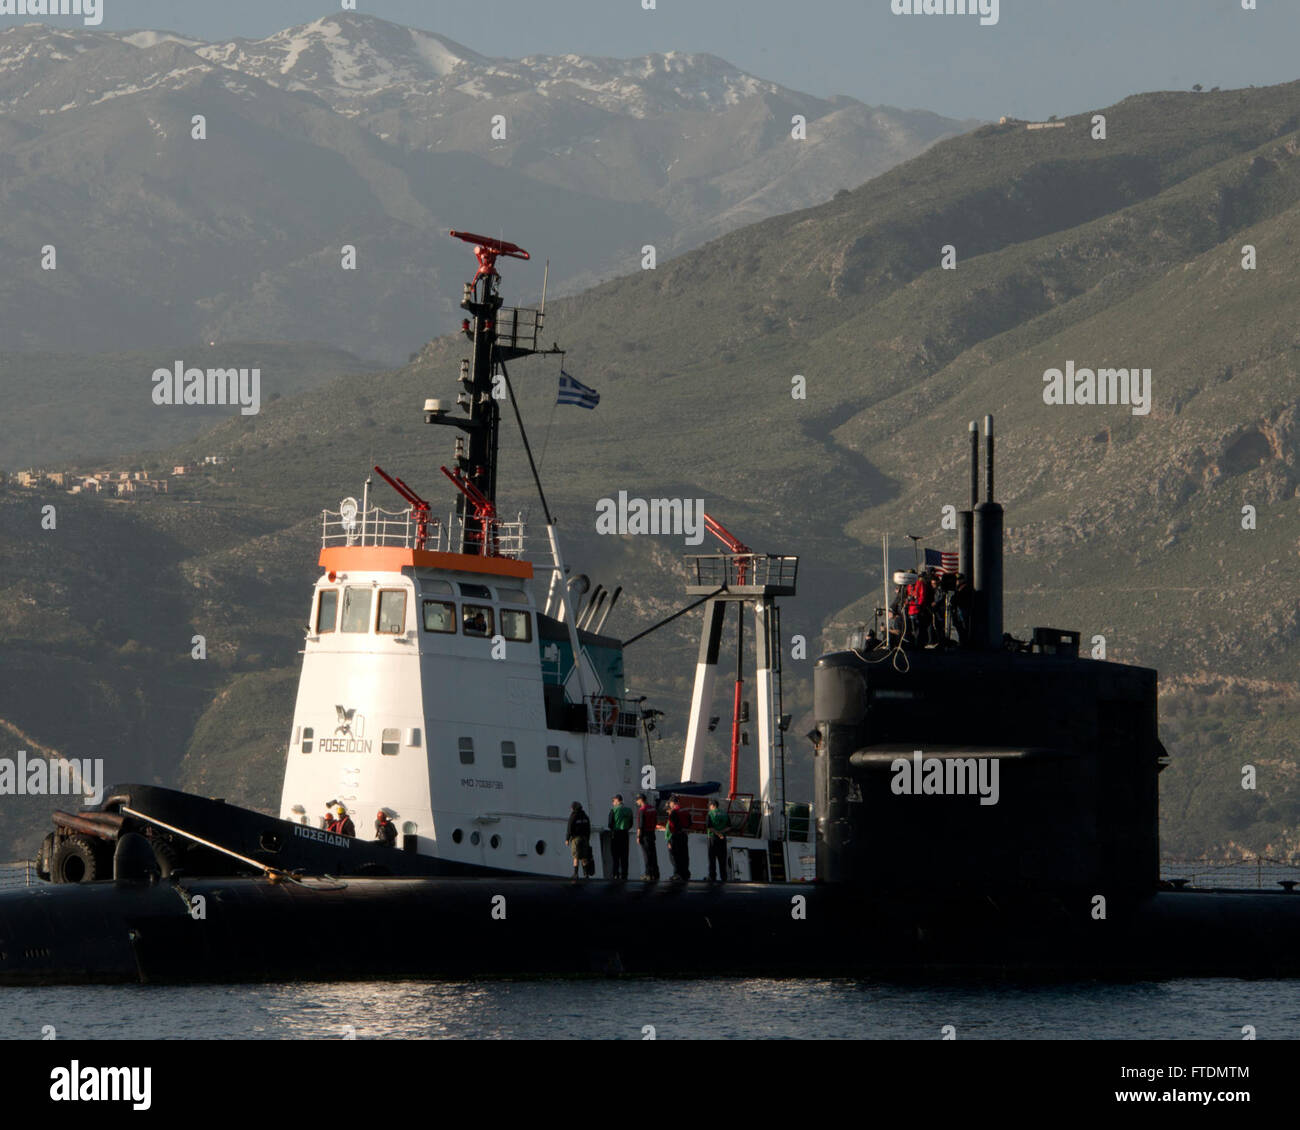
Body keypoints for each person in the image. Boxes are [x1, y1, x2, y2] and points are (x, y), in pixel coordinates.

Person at [665, 796, 691, 881]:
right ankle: (685, 873)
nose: (670, 805)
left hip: (676, 836)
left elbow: (672, 827)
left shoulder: (674, 812)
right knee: (684, 855)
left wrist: (669, 840)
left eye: (670, 803)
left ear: (673, 803)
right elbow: (690, 823)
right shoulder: (686, 811)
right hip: (684, 835)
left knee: (675, 856)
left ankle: (677, 874)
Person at [607, 794, 633, 879]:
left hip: (616, 834)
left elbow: (610, 824)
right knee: (624, 856)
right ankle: (624, 875)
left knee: (615, 856)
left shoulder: (613, 810)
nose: (612, 803)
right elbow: (631, 823)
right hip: (625, 834)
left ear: (617, 800)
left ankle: (615, 874)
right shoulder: (629, 810)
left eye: (613, 801)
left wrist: (614, 829)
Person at [635, 793, 660, 880]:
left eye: (637, 800)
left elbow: (640, 825)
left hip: (645, 834)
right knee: (653, 854)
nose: (636, 801)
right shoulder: (652, 808)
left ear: (641, 800)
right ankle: (655, 873)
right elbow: (656, 820)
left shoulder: (642, 810)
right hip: (652, 833)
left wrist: (638, 837)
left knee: (646, 855)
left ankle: (648, 873)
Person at [565, 801, 591, 879]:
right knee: (584, 857)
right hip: (585, 838)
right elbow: (588, 828)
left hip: (576, 838)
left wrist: (567, 839)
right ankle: (586, 874)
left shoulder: (573, 816)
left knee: (576, 856)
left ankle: (575, 874)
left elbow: (569, 828)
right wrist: (587, 838)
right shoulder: (585, 816)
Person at [705, 798, 728, 882]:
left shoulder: (710, 814)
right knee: (722, 859)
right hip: (722, 838)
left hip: (712, 838)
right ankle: (724, 876)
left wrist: (717, 833)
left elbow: (709, 827)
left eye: (709, 806)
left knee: (712, 858)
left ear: (713, 805)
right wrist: (721, 833)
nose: (709, 808)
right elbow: (729, 826)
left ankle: (712, 876)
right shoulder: (725, 814)